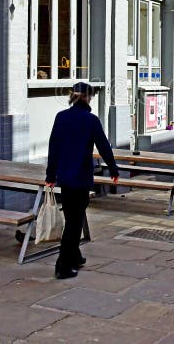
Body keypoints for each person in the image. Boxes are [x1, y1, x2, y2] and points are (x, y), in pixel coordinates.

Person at [45, 82, 119, 280]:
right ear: (87, 97)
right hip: (81, 179)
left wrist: (50, 176)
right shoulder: (90, 120)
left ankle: (75, 256)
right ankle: (63, 266)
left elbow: (54, 148)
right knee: (74, 224)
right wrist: (113, 169)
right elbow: (104, 146)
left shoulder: (61, 117)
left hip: (64, 178)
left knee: (72, 218)